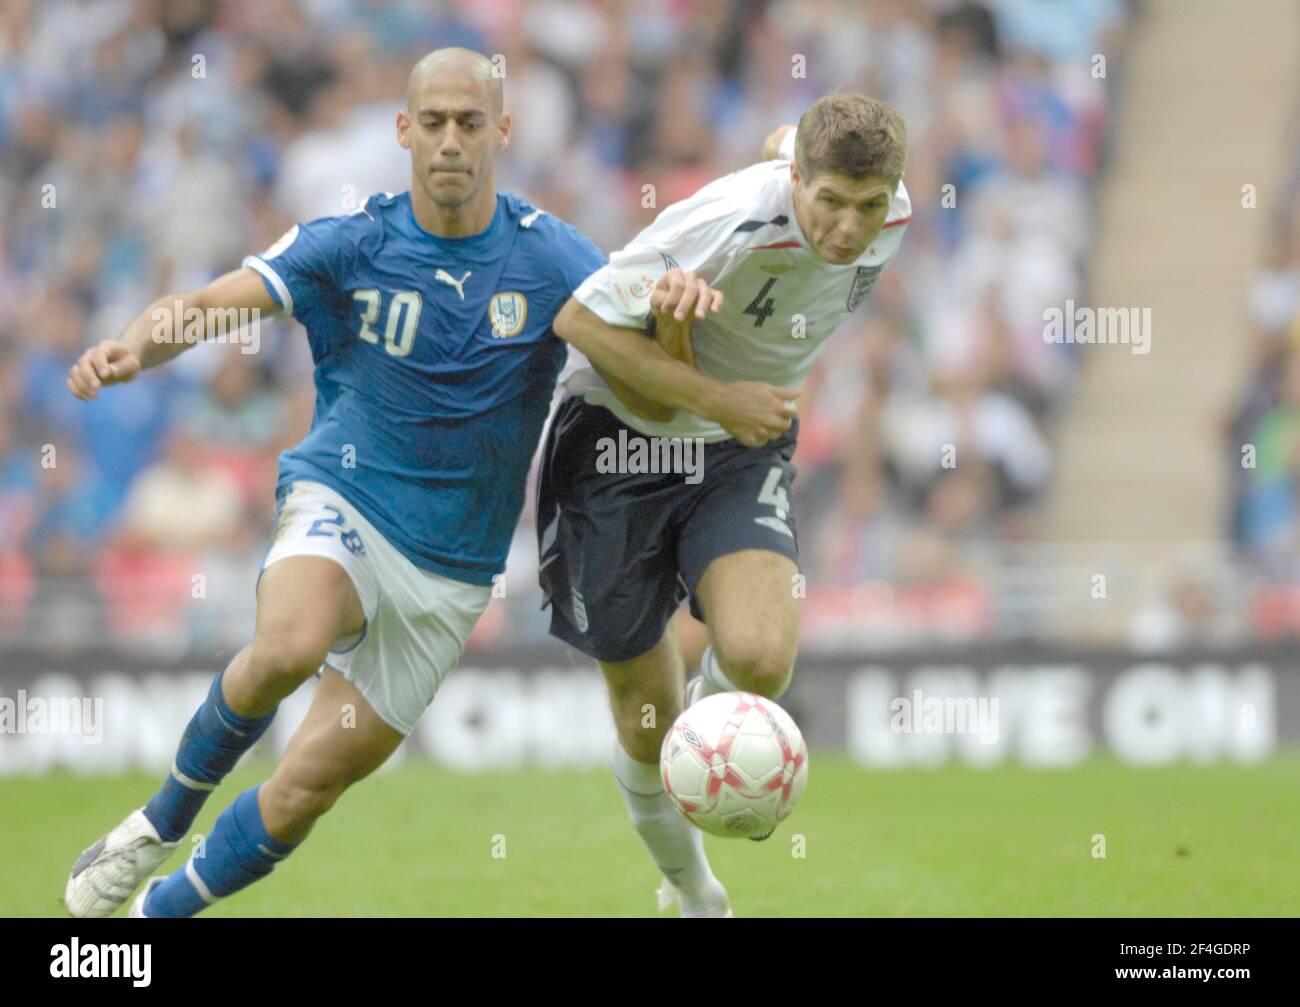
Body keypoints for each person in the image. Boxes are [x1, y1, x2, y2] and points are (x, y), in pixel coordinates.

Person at [61, 47, 786, 919]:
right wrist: (134, 346)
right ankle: (159, 819)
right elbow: (216, 303)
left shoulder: (554, 258)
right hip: (344, 501)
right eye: (433, 122)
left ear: (502, 132)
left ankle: (146, 923)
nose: (451, 141)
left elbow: (637, 390)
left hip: (449, 577)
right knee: (288, 645)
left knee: (304, 791)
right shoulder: (352, 241)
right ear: (403, 131)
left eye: (470, 123)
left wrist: (672, 328)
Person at [540, 94, 912, 906]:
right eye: (830, 203)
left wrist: (726, 409)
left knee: (761, 657)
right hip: (615, 443)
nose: (850, 228)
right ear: (796, 183)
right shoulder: (722, 220)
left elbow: (789, 137)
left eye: (870, 206)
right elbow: (580, 321)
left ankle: (711, 740)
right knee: (645, 717)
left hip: (738, 444)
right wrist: (717, 398)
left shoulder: (891, 207)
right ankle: (695, 891)